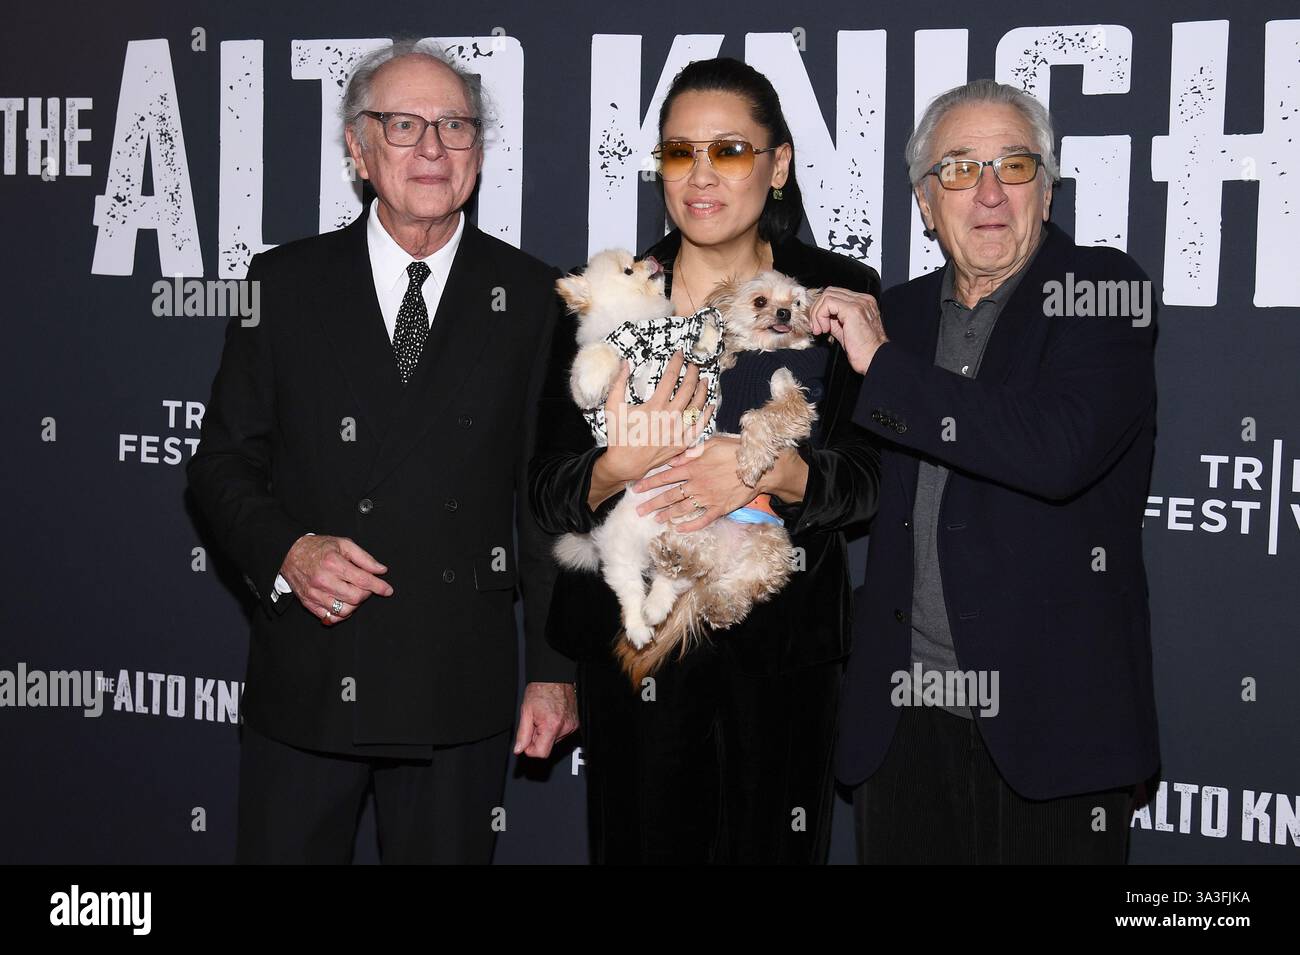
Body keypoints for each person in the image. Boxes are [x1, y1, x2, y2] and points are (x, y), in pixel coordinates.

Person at [187, 39, 577, 864]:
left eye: (455, 126)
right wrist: (289, 549)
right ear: (358, 150)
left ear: (479, 150)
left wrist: (552, 666)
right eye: (404, 125)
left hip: (455, 686)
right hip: (310, 676)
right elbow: (220, 466)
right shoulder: (283, 285)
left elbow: (546, 500)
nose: (432, 148)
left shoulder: (534, 298)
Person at [529, 57, 881, 864]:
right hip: (636, 651)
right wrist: (618, 464)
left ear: (777, 164)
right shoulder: (614, 294)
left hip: (784, 655)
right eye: (679, 152)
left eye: (728, 150)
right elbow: (548, 488)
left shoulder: (835, 295)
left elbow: (867, 479)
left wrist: (765, 472)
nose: (699, 175)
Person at [816, 79, 1159, 864]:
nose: (991, 191)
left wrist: (885, 369)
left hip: (1054, 726)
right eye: (961, 169)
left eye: (1014, 164)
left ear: (1047, 188)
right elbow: (846, 479)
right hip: (902, 722)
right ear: (925, 203)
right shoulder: (895, 315)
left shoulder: (1102, 292)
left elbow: (1055, 450)